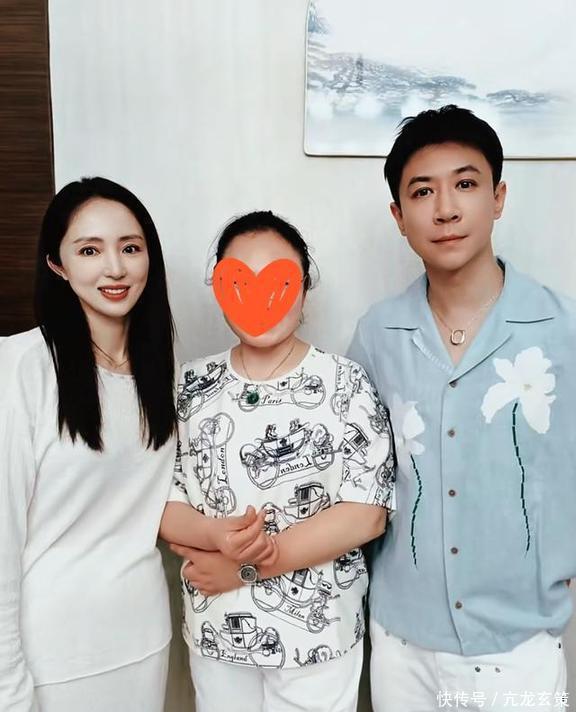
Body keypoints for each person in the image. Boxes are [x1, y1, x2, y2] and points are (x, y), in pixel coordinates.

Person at [347, 105, 574, 711]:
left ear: (498, 198)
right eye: (423, 192)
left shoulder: (562, 329)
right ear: (398, 216)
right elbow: (357, 474)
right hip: (402, 640)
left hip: (519, 639)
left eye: (466, 184)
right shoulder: (377, 334)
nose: (445, 209)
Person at [160, 210, 395, 712]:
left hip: (318, 637)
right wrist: (216, 536)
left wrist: (245, 569)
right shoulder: (189, 385)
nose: (258, 297)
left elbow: (366, 513)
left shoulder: (345, 382)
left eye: (279, 281)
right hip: (215, 628)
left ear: (304, 289)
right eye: (239, 281)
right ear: (218, 288)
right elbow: (162, 502)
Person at [0, 177, 180, 711]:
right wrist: (9, 689)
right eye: (89, 251)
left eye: (131, 248)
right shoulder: (21, 368)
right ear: (56, 264)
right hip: (53, 657)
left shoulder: (160, 376)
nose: (115, 268)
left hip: (144, 641)